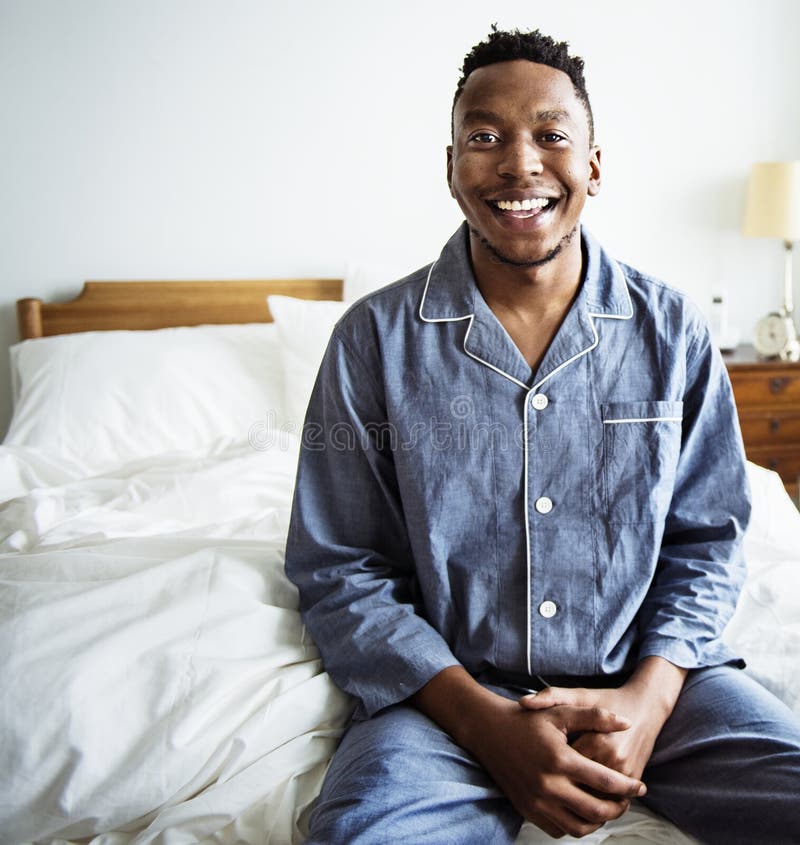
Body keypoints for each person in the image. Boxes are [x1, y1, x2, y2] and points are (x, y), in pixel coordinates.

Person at [285, 26, 800, 844]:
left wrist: (648, 698)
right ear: (451, 167)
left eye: (551, 136)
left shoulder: (673, 330)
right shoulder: (371, 341)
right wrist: (489, 728)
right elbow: (342, 568)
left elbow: (709, 538)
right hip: (449, 702)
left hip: (658, 686)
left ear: (594, 164)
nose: (519, 164)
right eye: (484, 137)